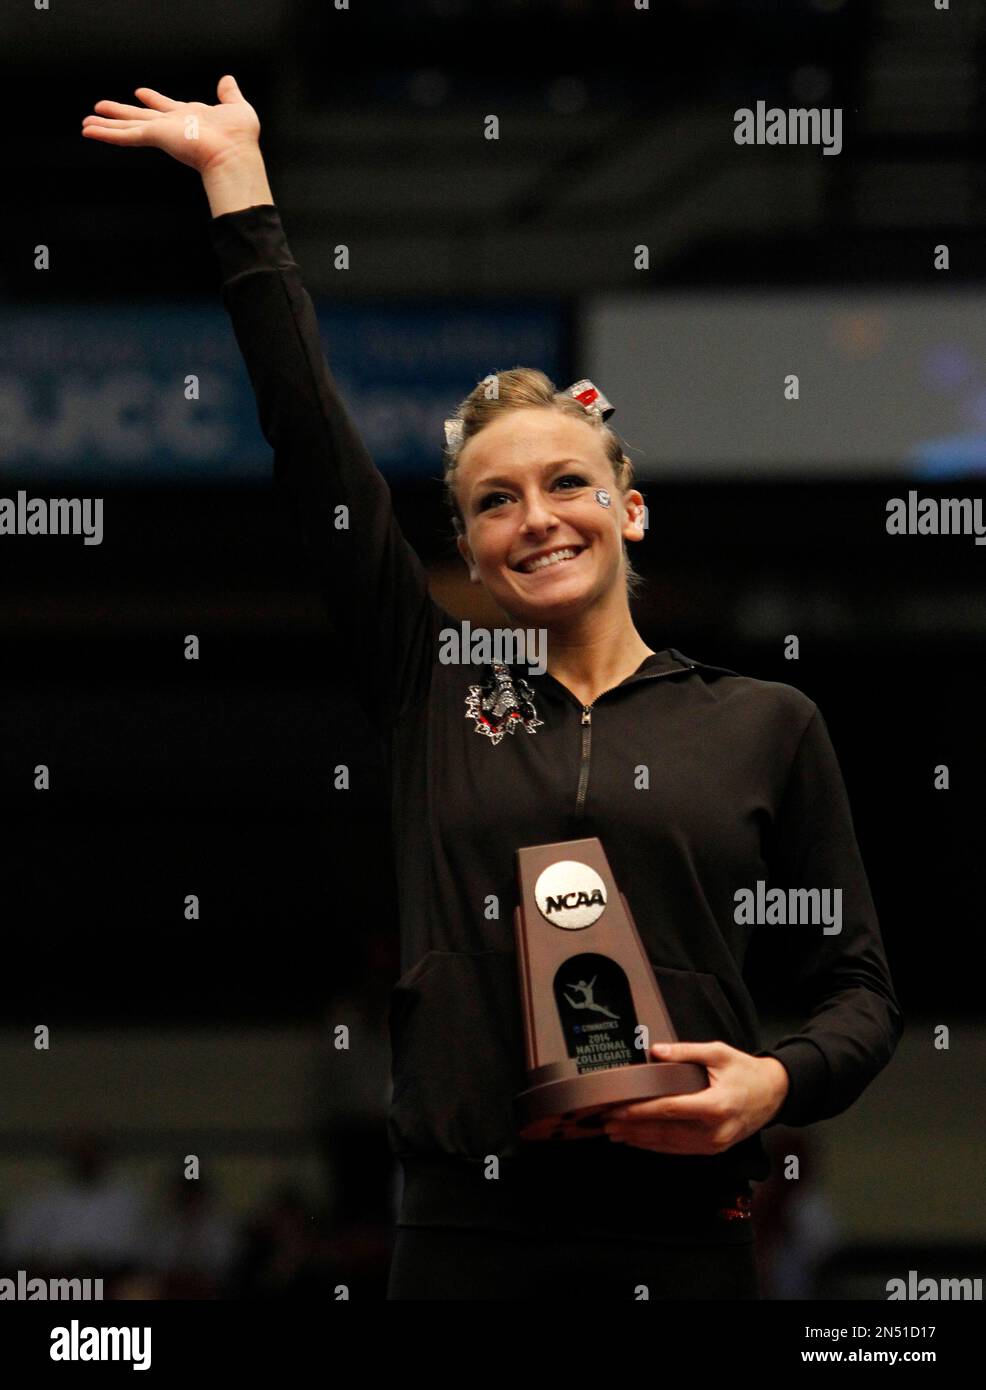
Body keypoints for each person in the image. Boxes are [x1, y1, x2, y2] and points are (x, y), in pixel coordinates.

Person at [81, 77, 904, 1301]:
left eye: (567, 483)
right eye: (493, 502)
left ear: (626, 508)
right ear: (465, 551)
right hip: (464, 1238)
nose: (537, 519)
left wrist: (777, 1080)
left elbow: (860, 993)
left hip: (684, 1233)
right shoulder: (433, 691)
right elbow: (313, 446)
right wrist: (236, 185)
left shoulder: (763, 724)